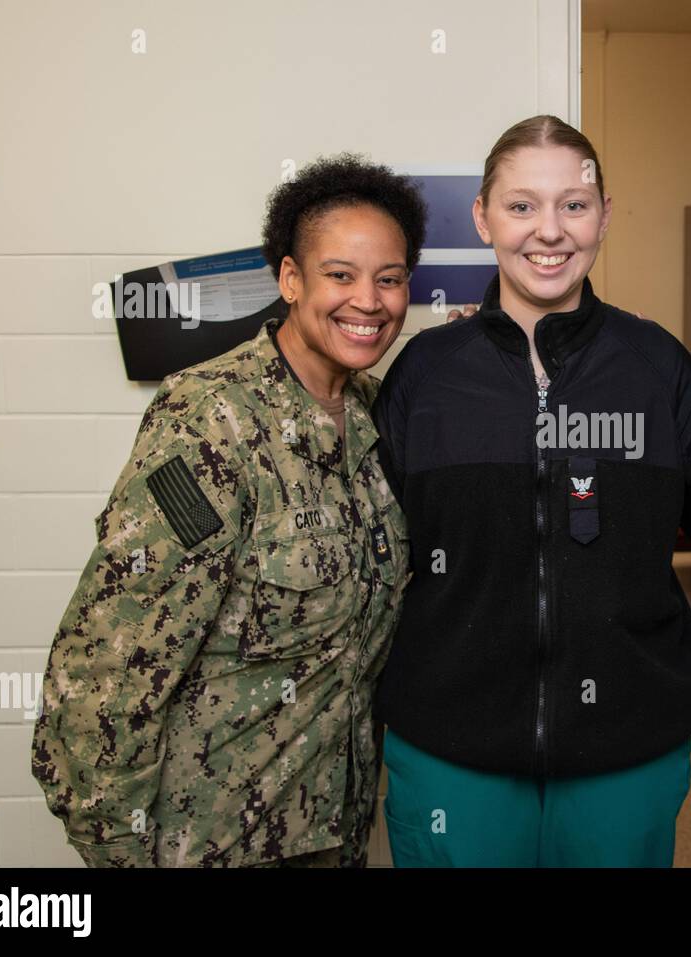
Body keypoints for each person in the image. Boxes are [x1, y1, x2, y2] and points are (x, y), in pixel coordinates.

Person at [371, 115, 691, 867]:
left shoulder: (654, 365)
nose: (549, 231)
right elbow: (368, 555)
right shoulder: (426, 372)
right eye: (521, 206)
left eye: (573, 205)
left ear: (604, 216)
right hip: (455, 751)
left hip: (626, 751)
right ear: (483, 217)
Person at [31, 154, 421, 867]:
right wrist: (117, 847)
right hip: (213, 842)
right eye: (340, 274)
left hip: (332, 832)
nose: (368, 300)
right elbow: (108, 661)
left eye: (389, 278)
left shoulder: (368, 418)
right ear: (290, 279)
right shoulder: (211, 418)